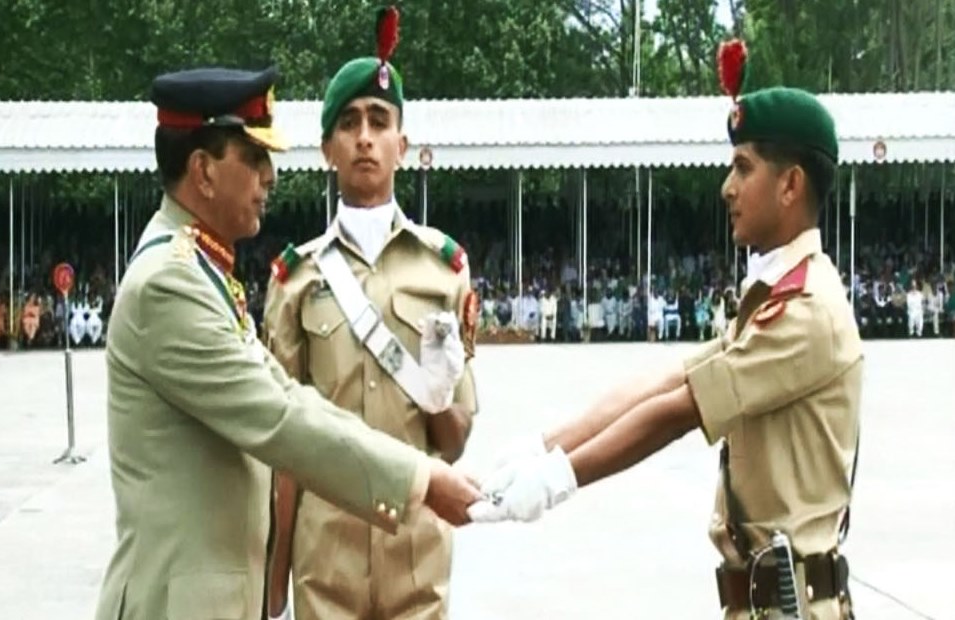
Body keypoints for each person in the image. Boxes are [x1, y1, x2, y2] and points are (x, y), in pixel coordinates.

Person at [470, 41, 862, 620]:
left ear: (790, 185)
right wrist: (543, 445)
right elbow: (666, 381)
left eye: (744, 167)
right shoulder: (776, 296)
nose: (727, 187)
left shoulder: (807, 312)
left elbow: (678, 411)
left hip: (793, 606)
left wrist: (556, 479)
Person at [94, 65, 480, 620]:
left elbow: (294, 400)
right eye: (252, 157)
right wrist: (421, 478)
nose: (269, 175)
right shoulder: (170, 284)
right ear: (202, 170)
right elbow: (279, 420)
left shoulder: (201, 272)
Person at [263, 9, 478, 619]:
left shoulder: (445, 270)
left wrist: (438, 392)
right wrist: (274, 575)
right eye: (350, 123)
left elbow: (455, 444)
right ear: (327, 148)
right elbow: (280, 444)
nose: (364, 136)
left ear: (402, 145)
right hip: (324, 559)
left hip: (418, 557)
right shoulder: (296, 280)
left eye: (380, 122)